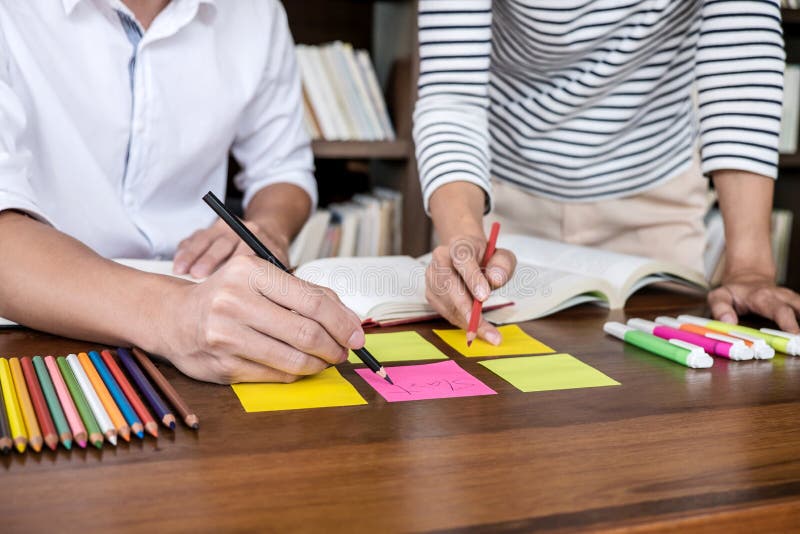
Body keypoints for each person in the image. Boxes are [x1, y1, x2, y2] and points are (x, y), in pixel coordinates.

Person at [0, 0, 366, 383]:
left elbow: (283, 170)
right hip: (39, 328)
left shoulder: (257, 12)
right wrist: (176, 315)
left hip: (209, 321)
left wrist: (268, 226)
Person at [415, 0, 800, 343]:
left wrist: (750, 268)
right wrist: (463, 235)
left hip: (655, 198)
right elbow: (452, 93)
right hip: (501, 197)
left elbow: (740, 61)